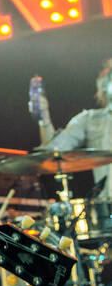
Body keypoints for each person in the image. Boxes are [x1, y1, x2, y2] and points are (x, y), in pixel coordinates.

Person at [35, 60, 112, 200]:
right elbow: (54, 150)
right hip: (106, 210)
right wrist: (43, 117)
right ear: (105, 85)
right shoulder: (90, 119)